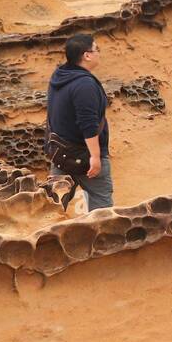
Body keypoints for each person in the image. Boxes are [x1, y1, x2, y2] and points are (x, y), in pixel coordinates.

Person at [46, 33, 113, 210]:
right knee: (102, 211)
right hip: (84, 156)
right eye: (97, 49)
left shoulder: (59, 76)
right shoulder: (85, 85)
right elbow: (88, 125)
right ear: (87, 55)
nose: (99, 53)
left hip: (60, 154)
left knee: (54, 207)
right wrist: (95, 157)